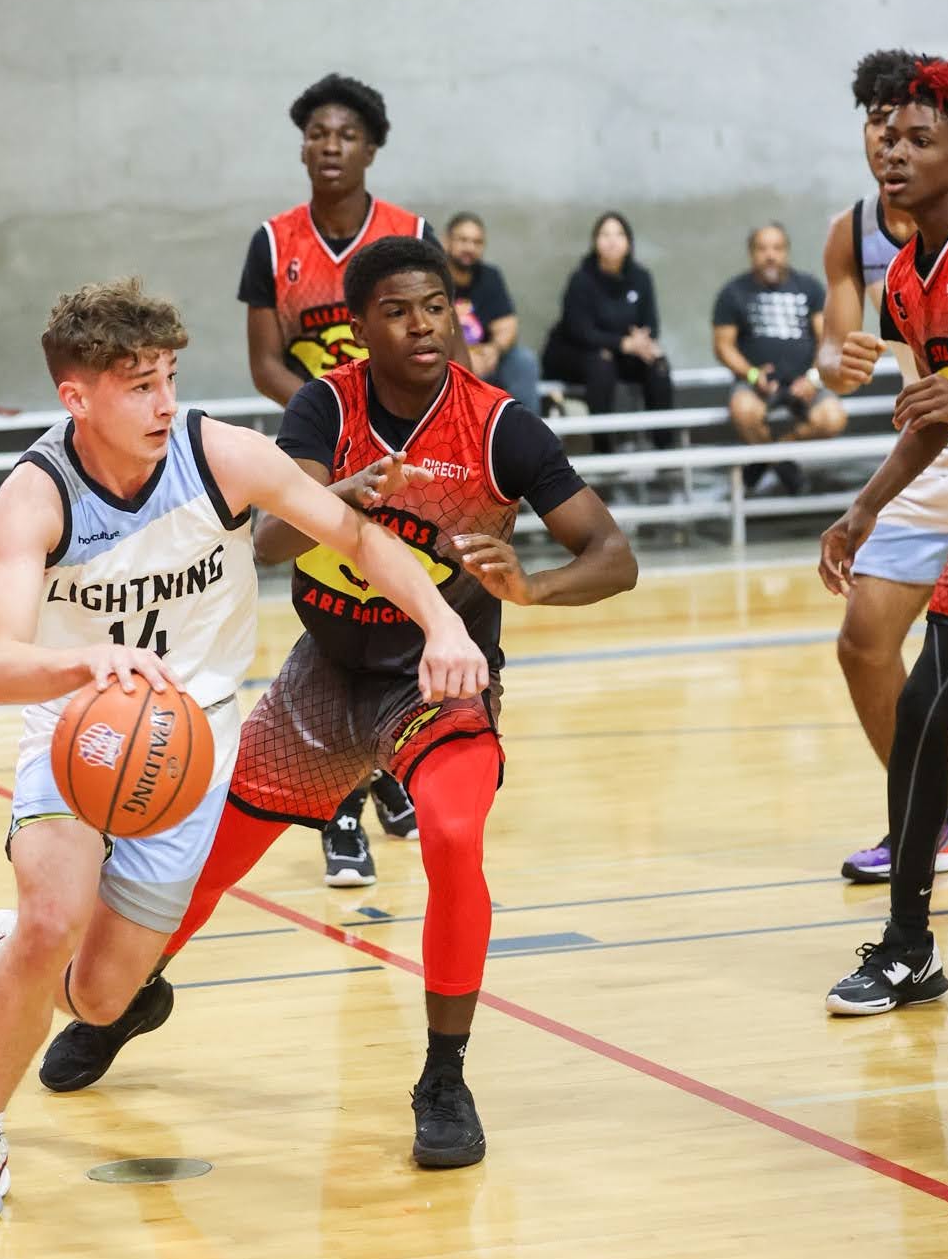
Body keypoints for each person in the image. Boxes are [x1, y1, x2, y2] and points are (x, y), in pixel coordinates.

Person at [38, 237, 637, 1171]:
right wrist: (334, 500)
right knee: (203, 858)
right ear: (359, 329)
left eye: (435, 306)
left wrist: (533, 587)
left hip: (434, 678)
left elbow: (614, 555)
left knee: (449, 837)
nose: (422, 325)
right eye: (397, 310)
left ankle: (445, 1073)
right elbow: (269, 543)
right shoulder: (326, 405)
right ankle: (129, 1000)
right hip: (324, 670)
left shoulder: (499, 426)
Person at [0, 274, 491, 1227]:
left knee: (101, 1000)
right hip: (78, 728)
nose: (164, 401)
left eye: (169, 376)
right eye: (139, 385)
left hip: (193, 740)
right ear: (78, 397)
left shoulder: (219, 455)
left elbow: (354, 535)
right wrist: (83, 667)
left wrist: (440, 621)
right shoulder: (36, 495)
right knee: (52, 915)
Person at [237, 71, 440, 887]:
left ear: (372, 148)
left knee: (400, 608)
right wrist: (333, 416)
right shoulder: (273, 242)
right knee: (335, 615)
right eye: (318, 133)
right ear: (303, 146)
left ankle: (388, 766)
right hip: (321, 446)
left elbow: (438, 346)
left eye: (346, 134)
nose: (330, 146)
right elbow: (262, 365)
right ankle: (341, 814)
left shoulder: (407, 232)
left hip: (401, 445)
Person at [820, 58, 948, 1014]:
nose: (892, 153)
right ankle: (909, 946)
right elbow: (932, 418)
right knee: (920, 704)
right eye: (885, 136)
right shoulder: (906, 276)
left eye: (917, 138)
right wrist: (864, 506)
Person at [712, 225, 847, 470]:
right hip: (755, 382)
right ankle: (784, 467)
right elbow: (723, 347)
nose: (770, 255)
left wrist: (813, 378)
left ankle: (769, 461)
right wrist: (752, 375)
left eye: (777, 248)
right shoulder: (732, 292)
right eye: (762, 249)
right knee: (743, 411)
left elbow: (828, 339)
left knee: (833, 418)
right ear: (751, 253)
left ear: (787, 251)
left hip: (806, 381)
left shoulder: (810, 287)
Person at [541, 213, 677, 444]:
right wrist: (623, 343)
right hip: (577, 352)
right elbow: (580, 331)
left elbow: (651, 324)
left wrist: (644, 341)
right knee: (601, 364)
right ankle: (604, 448)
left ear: (629, 242)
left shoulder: (641, 277)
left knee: (658, 363)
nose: (612, 240)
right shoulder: (581, 279)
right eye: (605, 235)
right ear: (595, 242)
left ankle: (664, 448)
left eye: (619, 234)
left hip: (624, 352)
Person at [444, 211, 542, 414]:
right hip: (448, 359)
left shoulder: (490, 276)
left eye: (477, 242)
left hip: (486, 357)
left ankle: (527, 435)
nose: (469, 247)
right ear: (447, 241)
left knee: (523, 360)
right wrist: (464, 357)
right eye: (463, 240)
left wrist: (494, 349)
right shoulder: (433, 276)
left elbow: (507, 324)